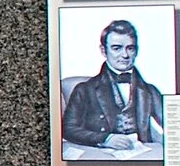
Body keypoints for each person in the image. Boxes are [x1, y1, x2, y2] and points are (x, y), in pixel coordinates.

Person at [62, 17, 168, 154]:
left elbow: (172, 124)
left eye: (130, 48)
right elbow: (68, 129)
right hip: (99, 155)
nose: (125, 55)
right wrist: (106, 138)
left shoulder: (150, 91)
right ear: (103, 51)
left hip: (141, 155)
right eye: (117, 48)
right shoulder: (85, 90)